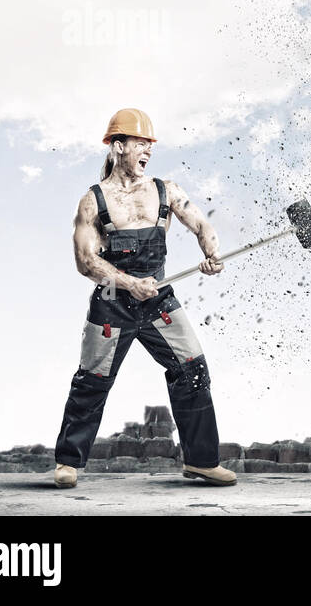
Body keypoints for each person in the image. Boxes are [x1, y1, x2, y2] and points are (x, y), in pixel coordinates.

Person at [52, 108, 236, 488]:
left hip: (157, 299)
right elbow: (85, 261)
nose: (147, 150)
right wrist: (128, 282)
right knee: (91, 381)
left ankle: (201, 461)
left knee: (193, 370)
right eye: (140, 143)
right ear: (118, 146)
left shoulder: (166, 191)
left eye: (150, 144)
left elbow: (202, 225)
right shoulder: (93, 201)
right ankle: (68, 462)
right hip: (111, 300)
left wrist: (211, 253)